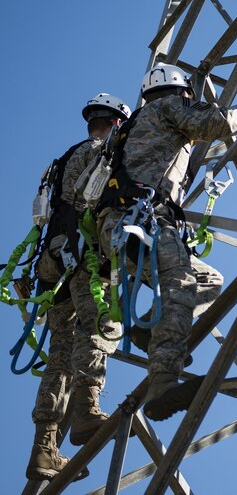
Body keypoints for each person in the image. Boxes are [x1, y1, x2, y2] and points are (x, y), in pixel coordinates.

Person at [94, 63, 237, 421]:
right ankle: (163, 382)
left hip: (115, 231)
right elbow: (214, 124)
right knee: (183, 281)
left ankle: (148, 332)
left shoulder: (126, 131)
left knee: (207, 279)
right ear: (183, 91)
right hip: (142, 220)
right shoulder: (168, 107)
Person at [26, 93, 131, 481]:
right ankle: (87, 410)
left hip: (53, 263)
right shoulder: (105, 152)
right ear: (118, 123)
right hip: (84, 253)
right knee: (100, 325)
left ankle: (44, 449)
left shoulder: (62, 162)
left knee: (59, 357)